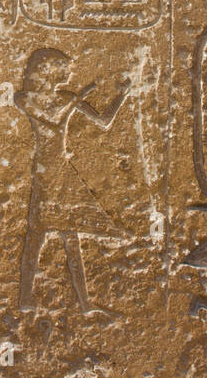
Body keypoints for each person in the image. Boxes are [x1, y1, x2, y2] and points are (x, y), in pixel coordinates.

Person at [14, 49, 130, 315]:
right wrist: (75, 100)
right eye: (65, 67)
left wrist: (121, 95)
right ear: (49, 70)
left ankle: (84, 302)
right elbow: (51, 124)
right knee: (36, 236)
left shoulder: (66, 98)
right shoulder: (27, 98)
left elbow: (103, 121)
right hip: (46, 172)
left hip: (62, 172)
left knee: (71, 238)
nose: (70, 72)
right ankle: (25, 297)